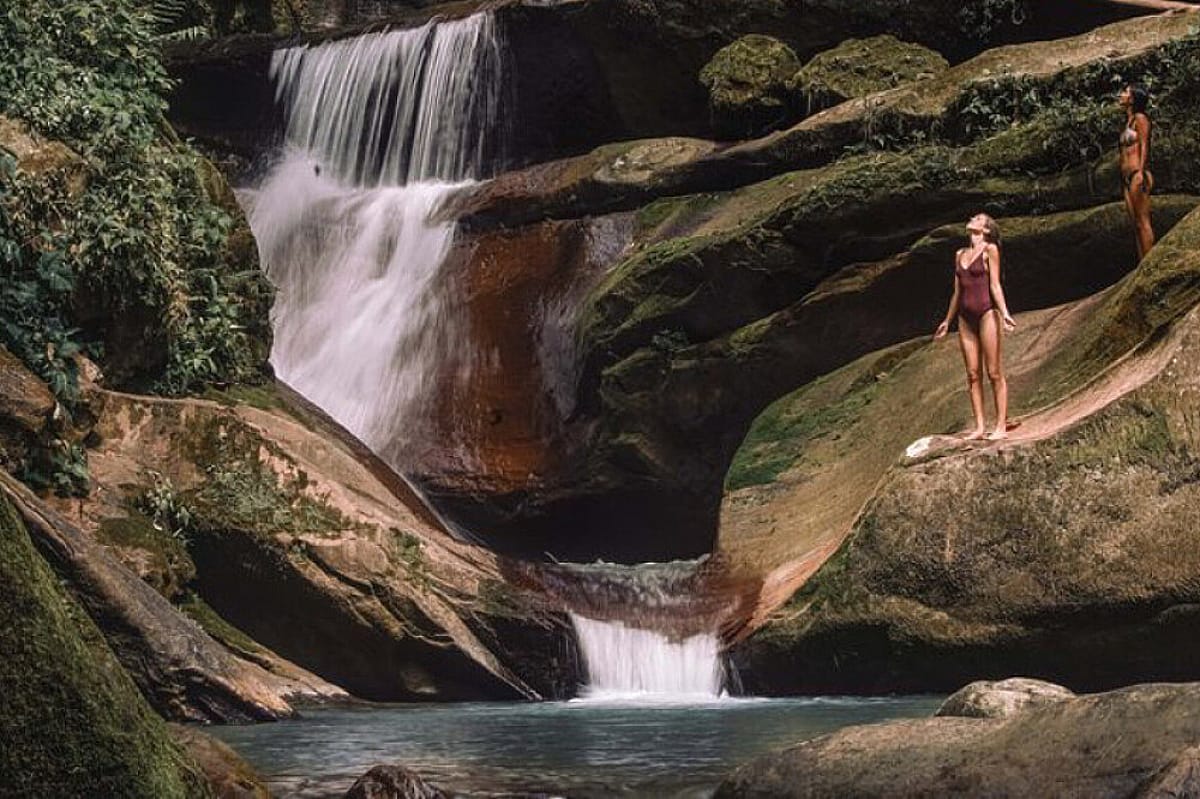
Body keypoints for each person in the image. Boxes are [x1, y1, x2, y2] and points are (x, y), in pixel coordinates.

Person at [934, 213, 1017, 441]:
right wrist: (946, 321)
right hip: (964, 318)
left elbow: (995, 285)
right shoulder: (959, 254)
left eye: (978, 218)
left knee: (994, 372)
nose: (972, 218)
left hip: (987, 313)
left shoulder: (990, 250)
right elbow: (957, 292)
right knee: (972, 374)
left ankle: (1000, 425)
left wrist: (1006, 313)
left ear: (986, 229)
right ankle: (980, 427)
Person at [1119, 83, 1155, 260]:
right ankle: (1142, 264)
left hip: (1137, 174)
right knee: (1135, 225)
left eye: (1125, 92)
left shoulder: (1141, 118)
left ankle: (1149, 266)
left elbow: (1144, 145)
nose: (1121, 94)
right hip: (1126, 178)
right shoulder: (1128, 120)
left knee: (1143, 221)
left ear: (1133, 98)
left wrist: (1141, 172)